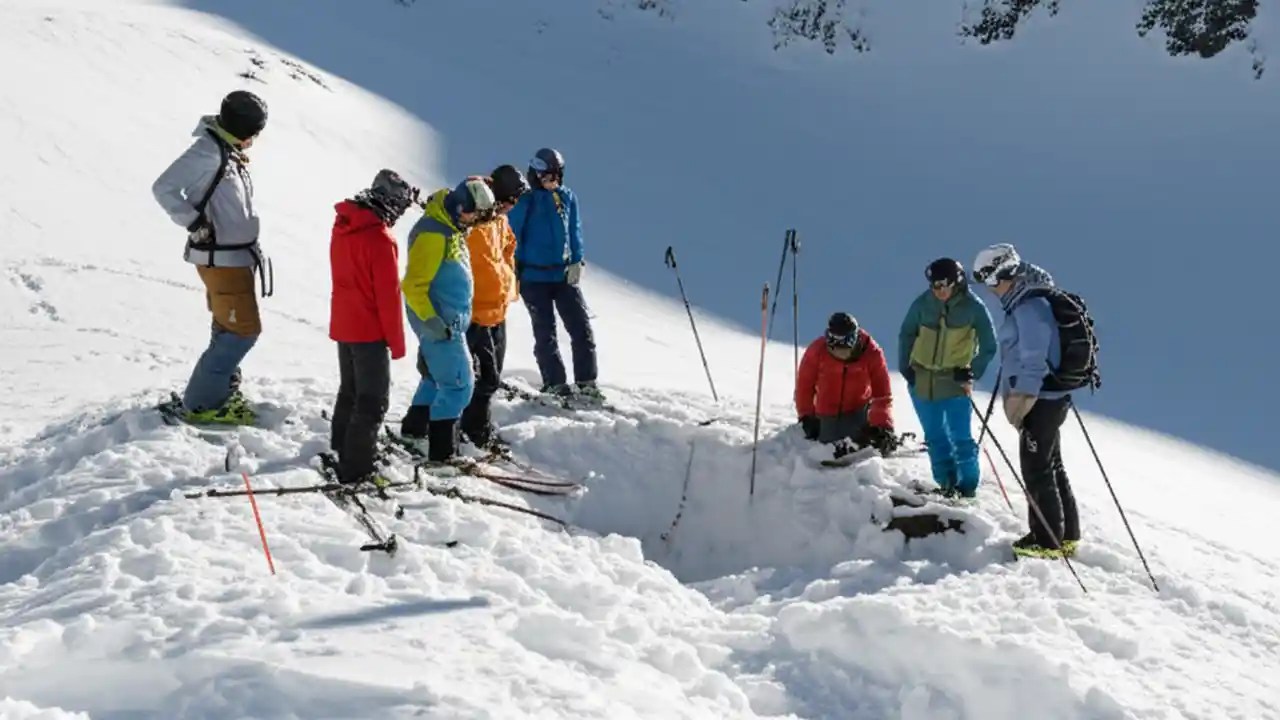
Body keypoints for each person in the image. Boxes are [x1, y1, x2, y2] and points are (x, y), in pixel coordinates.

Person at [151, 90, 270, 424]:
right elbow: (164, 188)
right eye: (255, 131)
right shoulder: (208, 151)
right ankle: (203, 404)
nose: (256, 138)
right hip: (220, 258)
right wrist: (194, 223)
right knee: (243, 332)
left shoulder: (226, 151)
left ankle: (219, 391)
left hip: (234, 258)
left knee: (227, 326)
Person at [972, 243, 1079, 558]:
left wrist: (1023, 397)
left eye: (989, 280)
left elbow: (1034, 356)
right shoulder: (1033, 300)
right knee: (1051, 464)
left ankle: (1046, 540)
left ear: (1003, 273)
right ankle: (1066, 535)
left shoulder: (1028, 307)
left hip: (1039, 399)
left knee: (1036, 469)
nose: (990, 290)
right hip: (1051, 397)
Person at [327, 170, 417, 485]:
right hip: (369, 330)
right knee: (373, 399)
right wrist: (398, 343)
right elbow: (388, 298)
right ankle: (358, 468)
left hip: (344, 321)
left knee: (349, 391)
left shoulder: (344, 224)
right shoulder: (379, 238)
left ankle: (341, 445)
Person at [399, 177, 496, 462]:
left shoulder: (450, 226)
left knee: (435, 378)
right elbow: (413, 285)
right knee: (459, 386)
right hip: (440, 326)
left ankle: (414, 432)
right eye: (472, 214)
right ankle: (441, 456)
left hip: (450, 321)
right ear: (460, 206)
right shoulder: (434, 234)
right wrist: (431, 321)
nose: (474, 221)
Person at [507, 148, 602, 403]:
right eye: (545, 175)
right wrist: (513, 268)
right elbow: (512, 234)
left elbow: (575, 231)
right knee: (545, 331)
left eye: (555, 175)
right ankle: (555, 383)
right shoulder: (526, 201)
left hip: (562, 277)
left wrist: (576, 260)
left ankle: (586, 381)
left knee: (581, 327)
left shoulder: (567, 197)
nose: (551, 180)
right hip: (534, 278)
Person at [898, 257, 997, 498]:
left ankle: (967, 488)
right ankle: (946, 484)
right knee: (934, 437)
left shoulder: (974, 308)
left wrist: (972, 370)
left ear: (957, 281)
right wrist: (905, 367)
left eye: (944, 285)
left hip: (955, 382)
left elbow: (989, 346)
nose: (940, 291)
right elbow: (906, 334)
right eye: (935, 286)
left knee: (961, 438)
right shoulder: (922, 304)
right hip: (922, 380)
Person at [459, 166, 528, 450]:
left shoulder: (499, 217)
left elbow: (510, 244)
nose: (514, 206)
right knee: (478, 378)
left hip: (496, 310)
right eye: (513, 199)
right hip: (475, 312)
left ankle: (477, 428)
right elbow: (474, 261)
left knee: (490, 377)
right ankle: (467, 431)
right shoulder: (476, 211)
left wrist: (507, 275)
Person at [795, 312, 897, 458]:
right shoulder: (817, 351)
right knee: (826, 443)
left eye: (844, 345)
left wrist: (883, 424)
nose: (838, 350)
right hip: (825, 413)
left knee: (871, 438)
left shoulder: (872, 353)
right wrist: (806, 417)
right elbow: (804, 387)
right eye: (833, 343)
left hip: (857, 411)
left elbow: (882, 395)